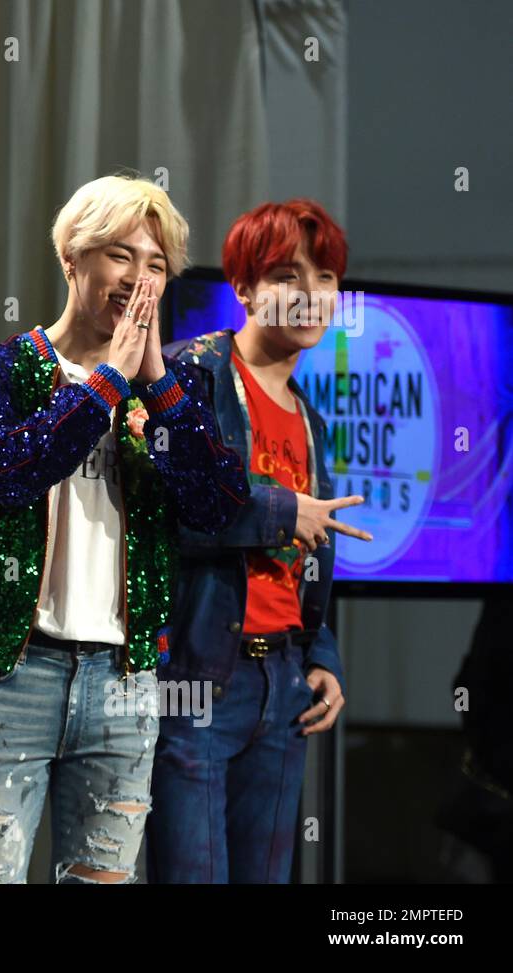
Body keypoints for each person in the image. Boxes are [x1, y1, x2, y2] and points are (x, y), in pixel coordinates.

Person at [0, 174, 248, 884]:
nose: (139, 280)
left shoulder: (175, 388)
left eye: (155, 264)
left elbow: (215, 505)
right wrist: (107, 381)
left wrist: (158, 389)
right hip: (14, 672)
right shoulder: (0, 367)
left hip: (126, 678)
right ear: (71, 259)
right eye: (120, 255)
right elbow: (6, 471)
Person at [148, 199, 369, 883]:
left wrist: (322, 654)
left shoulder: (312, 417)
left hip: (284, 683)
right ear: (243, 288)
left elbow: (308, 561)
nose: (310, 294)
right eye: (287, 274)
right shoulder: (191, 375)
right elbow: (171, 509)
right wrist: (281, 513)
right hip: (199, 677)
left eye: (326, 276)